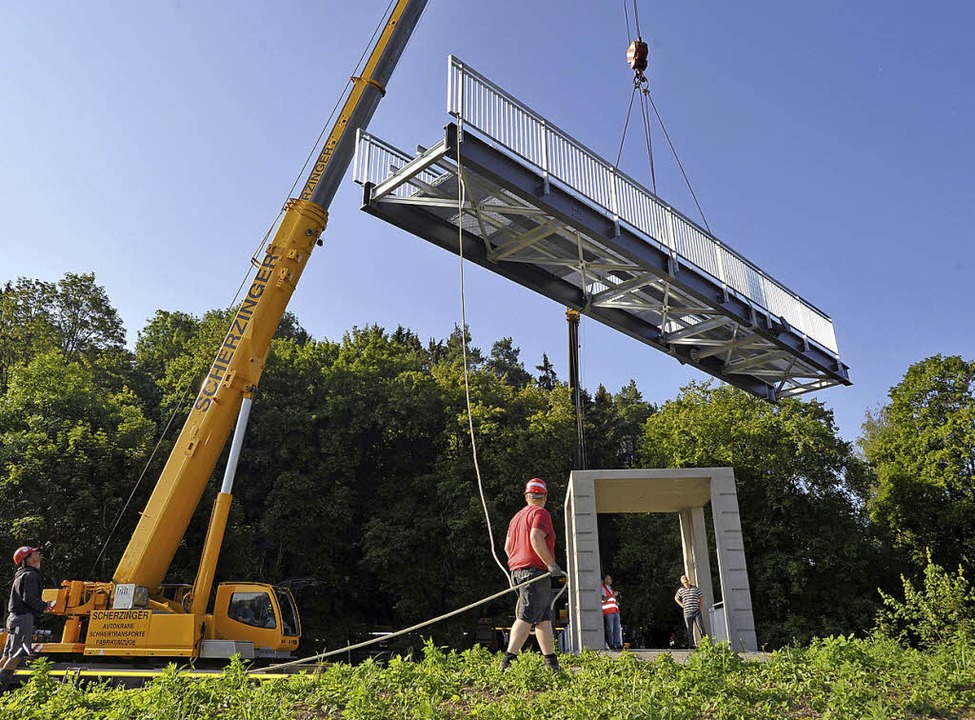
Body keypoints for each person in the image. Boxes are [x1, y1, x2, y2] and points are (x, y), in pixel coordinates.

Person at [500, 477, 562, 674]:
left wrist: (518, 562)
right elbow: (535, 537)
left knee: (543, 617)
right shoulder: (541, 513)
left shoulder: (516, 518)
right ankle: (507, 662)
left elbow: (508, 547)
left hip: (518, 572)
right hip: (535, 572)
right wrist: (550, 564)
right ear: (544, 497)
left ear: (527, 496)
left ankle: (551, 663)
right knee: (526, 616)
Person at [1, 546, 51, 693]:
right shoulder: (30, 575)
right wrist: (45, 606)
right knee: (17, 654)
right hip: (22, 619)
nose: (37, 554)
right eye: (33, 553)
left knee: (7, 655)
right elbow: (29, 599)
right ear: (27, 559)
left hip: (15, 618)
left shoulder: (21, 574)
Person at [674, 574, 705, 649]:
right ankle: (691, 645)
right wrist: (682, 605)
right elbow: (676, 598)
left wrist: (700, 607)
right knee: (689, 629)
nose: (684, 579)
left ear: (688, 579)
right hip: (687, 612)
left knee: (701, 628)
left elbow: (701, 597)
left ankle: (705, 643)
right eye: (683, 578)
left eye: (685, 578)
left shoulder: (695, 588)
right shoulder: (680, 590)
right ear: (681, 581)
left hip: (696, 611)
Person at [601, 574, 623, 650]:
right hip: (608, 612)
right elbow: (603, 599)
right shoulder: (603, 588)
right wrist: (613, 595)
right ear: (605, 580)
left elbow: (611, 599)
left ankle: (618, 644)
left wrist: (616, 603)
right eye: (609, 579)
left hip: (615, 611)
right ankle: (611, 644)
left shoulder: (610, 588)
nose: (611, 580)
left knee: (617, 628)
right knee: (610, 629)